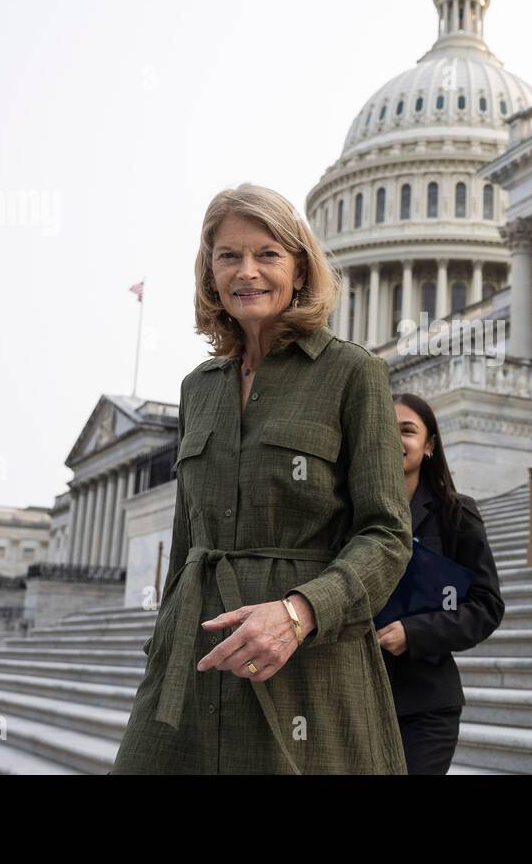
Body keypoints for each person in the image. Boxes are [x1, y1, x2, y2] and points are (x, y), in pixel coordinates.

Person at [111, 183, 412, 774]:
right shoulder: (198, 388)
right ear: (211, 273)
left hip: (310, 662)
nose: (247, 271)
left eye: (267, 254)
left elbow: (387, 534)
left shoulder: (354, 372)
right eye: (229, 256)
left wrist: (299, 612)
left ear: (299, 269)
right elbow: (185, 542)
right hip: (197, 659)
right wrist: (165, 642)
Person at [378, 393, 504, 774]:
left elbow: (487, 606)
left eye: (408, 431)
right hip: (359, 698)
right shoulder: (351, 514)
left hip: (426, 705)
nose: (395, 439)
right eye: (386, 430)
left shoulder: (456, 513)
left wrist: (414, 633)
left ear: (429, 444)